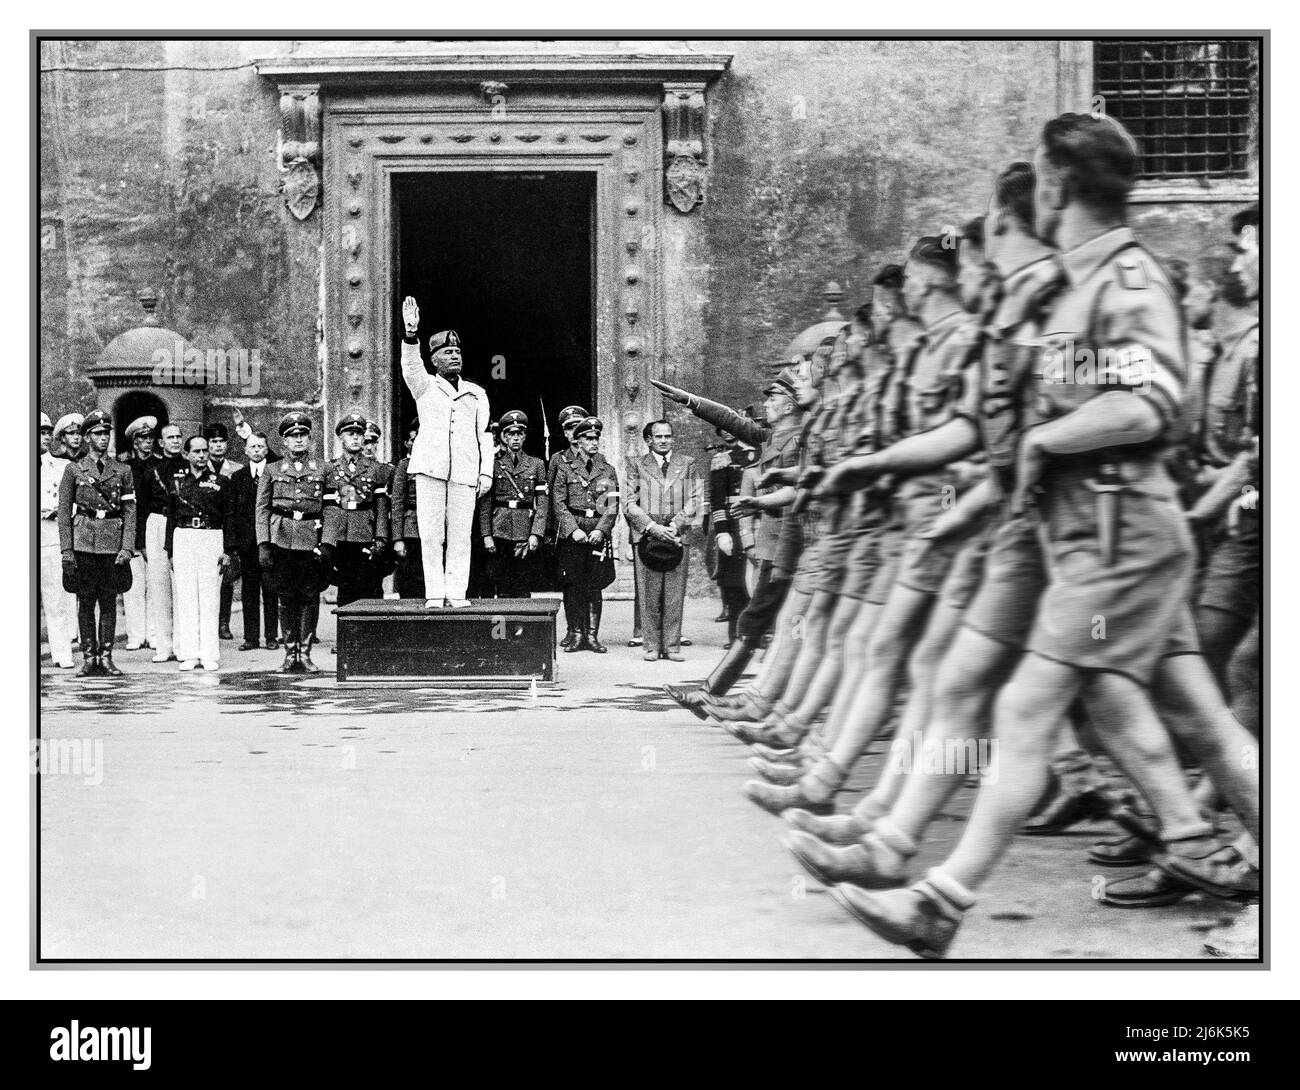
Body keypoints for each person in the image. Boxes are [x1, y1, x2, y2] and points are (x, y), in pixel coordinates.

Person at [830, 114, 1242, 956]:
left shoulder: (1123, 282)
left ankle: (939, 899)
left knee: (1024, 705)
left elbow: (1146, 401)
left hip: (1119, 535)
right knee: (1201, 723)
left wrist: (1044, 443)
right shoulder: (1078, 286)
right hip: (1095, 536)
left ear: (1055, 185)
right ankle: (1203, 842)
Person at [655, 367, 805, 711]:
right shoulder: (773, 435)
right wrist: (691, 401)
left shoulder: (801, 437)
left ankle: (732, 696)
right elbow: (734, 422)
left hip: (792, 543)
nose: (767, 403)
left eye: (774, 398)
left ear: (790, 405)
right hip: (775, 542)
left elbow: (803, 488)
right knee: (766, 617)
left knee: (771, 618)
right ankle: (747, 698)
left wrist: (759, 502)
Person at [399, 297, 493, 608]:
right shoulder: (425, 386)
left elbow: (484, 436)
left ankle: (456, 593)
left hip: (465, 472)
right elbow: (410, 367)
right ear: (434, 359)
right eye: (447, 352)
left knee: (461, 535)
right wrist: (410, 334)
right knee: (430, 534)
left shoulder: (477, 393)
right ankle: (435, 594)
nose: (454, 356)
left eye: (457, 352)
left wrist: (486, 472)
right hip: (430, 469)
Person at [255, 412, 337, 673]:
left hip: (311, 538)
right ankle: (290, 654)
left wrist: (327, 543)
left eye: (302, 435)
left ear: (309, 438)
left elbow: (332, 509)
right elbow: (262, 510)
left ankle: (306, 653)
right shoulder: (271, 470)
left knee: (311, 596)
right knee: (286, 596)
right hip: (281, 540)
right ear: (284, 441)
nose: (298, 440)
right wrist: (264, 544)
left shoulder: (324, 469)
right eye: (293, 436)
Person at [57, 409, 136, 677]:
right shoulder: (74, 470)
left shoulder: (122, 470)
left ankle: (107, 656)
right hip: (83, 542)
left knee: (109, 601)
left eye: (106, 433)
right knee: (86, 600)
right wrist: (67, 550)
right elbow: (64, 512)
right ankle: (89, 657)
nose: (104, 438)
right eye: (98, 434)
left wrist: (127, 547)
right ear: (88, 437)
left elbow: (130, 511)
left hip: (111, 542)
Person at [625, 420, 701, 661]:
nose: (664, 440)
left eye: (668, 436)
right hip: (648, 536)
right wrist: (653, 527)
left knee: (674, 593)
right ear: (648, 440)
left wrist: (674, 525)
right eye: (658, 437)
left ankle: (672, 646)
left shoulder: (687, 464)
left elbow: (696, 498)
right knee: (649, 593)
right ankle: (651, 646)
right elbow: (628, 503)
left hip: (677, 535)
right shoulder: (636, 465)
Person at [166, 435, 238, 670]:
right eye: (196, 451)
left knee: (209, 598)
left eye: (204, 451)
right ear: (186, 454)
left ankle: (209, 654)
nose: (201, 455)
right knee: (185, 597)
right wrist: (170, 551)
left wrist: (228, 549)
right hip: (184, 536)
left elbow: (229, 517)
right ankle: (189, 654)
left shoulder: (221, 481)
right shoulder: (177, 482)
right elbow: (171, 517)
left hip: (210, 537)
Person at [552, 416, 620, 652]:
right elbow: (558, 503)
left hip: (596, 531)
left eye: (596, 438)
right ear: (578, 441)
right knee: (572, 584)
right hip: (575, 533)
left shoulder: (607, 470)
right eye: (588, 438)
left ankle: (592, 636)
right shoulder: (564, 467)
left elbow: (610, 506)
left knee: (594, 585)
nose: (594, 443)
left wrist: (601, 530)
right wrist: (573, 530)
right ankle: (576, 633)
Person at [323, 411, 392, 608]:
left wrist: (380, 538)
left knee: (369, 589)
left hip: (365, 534)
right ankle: (346, 638)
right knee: (345, 591)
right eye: (350, 434)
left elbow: (381, 506)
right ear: (340, 438)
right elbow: (328, 507)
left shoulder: (375, 469)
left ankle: (371, 638)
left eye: (359, 434)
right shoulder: (331, 468)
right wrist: (327, 541)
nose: (355, 438)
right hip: (341, 537)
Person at [480, 410, 549, 598]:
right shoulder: (493, 465)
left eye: (519, 434)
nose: (516, 438)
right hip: (499, 529)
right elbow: (486, 504)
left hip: (524, 530)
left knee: (522, 584)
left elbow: (542, 504)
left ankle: (521, 627)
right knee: (500, 583)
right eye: (511, 434)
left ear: (525, 436)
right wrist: (486, 535)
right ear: (504, 437)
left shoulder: (536, 464)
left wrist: (536, 533)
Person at [227, 431, 279, 650]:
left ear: (267, 449)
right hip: (247, 544)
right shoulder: (237, 478)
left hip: (269, 541)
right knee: (249, 590)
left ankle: (271, 637)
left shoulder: (275, 473)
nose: (257, 450)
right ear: (245, 451)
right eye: (253, 447)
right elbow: (231, 513)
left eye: (261, 446)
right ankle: (251, 637)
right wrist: (233, 545)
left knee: (270, 588)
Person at [708, 430, 757, 648]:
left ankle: (762, 633)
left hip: (763, 522)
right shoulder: (723, 459)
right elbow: (717, 500)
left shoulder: (765, 454)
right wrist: (722, 531)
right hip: (735, 523)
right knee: (734, 583)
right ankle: (737, 635)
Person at [142, 423, 185, 662]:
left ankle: (181, 644)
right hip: (157, 522)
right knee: (158, 585)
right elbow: (142, 507)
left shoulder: (190, 467)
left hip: (181, 524)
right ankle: (163, 645)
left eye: (179, 436)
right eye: (170, 437)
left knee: (180, 585)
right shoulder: (152, 470)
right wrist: (142, 542)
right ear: (161, 442)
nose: (176, 441)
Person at [39, 412, 78, 668]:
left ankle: (62, 654)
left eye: (45, 432)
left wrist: (61, 511)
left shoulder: (62, 466)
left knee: (57, 599)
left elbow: (77, 501)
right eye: (38, 432)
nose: (43, 437)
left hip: (51, 536)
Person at [119, 415, 157, 650]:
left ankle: (153, 633)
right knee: (133, 586)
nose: (148, 442)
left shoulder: (158, 466)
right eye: (143, 438)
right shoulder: (126, 469)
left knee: (154, 586)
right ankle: (135, 635)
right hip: (132, 532)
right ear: (134, 442)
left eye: (150, 437)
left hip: (153, 531)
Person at [205, 422, 243, 640]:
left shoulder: (236, 470)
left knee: (226, 579)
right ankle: (209, 623)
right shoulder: (200, 467)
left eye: (221, 442)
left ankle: (223, 623)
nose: (218, 446)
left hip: (228, 530)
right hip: (207, 528)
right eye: (213, 442)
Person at [390, 421, 424, 599]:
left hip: (432, 529)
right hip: (410, 530)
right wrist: (398, 538)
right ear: (407, 443)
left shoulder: (436, 465)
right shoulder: (404, 466)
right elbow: (397, 504)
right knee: (409, 580)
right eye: (413, 438)